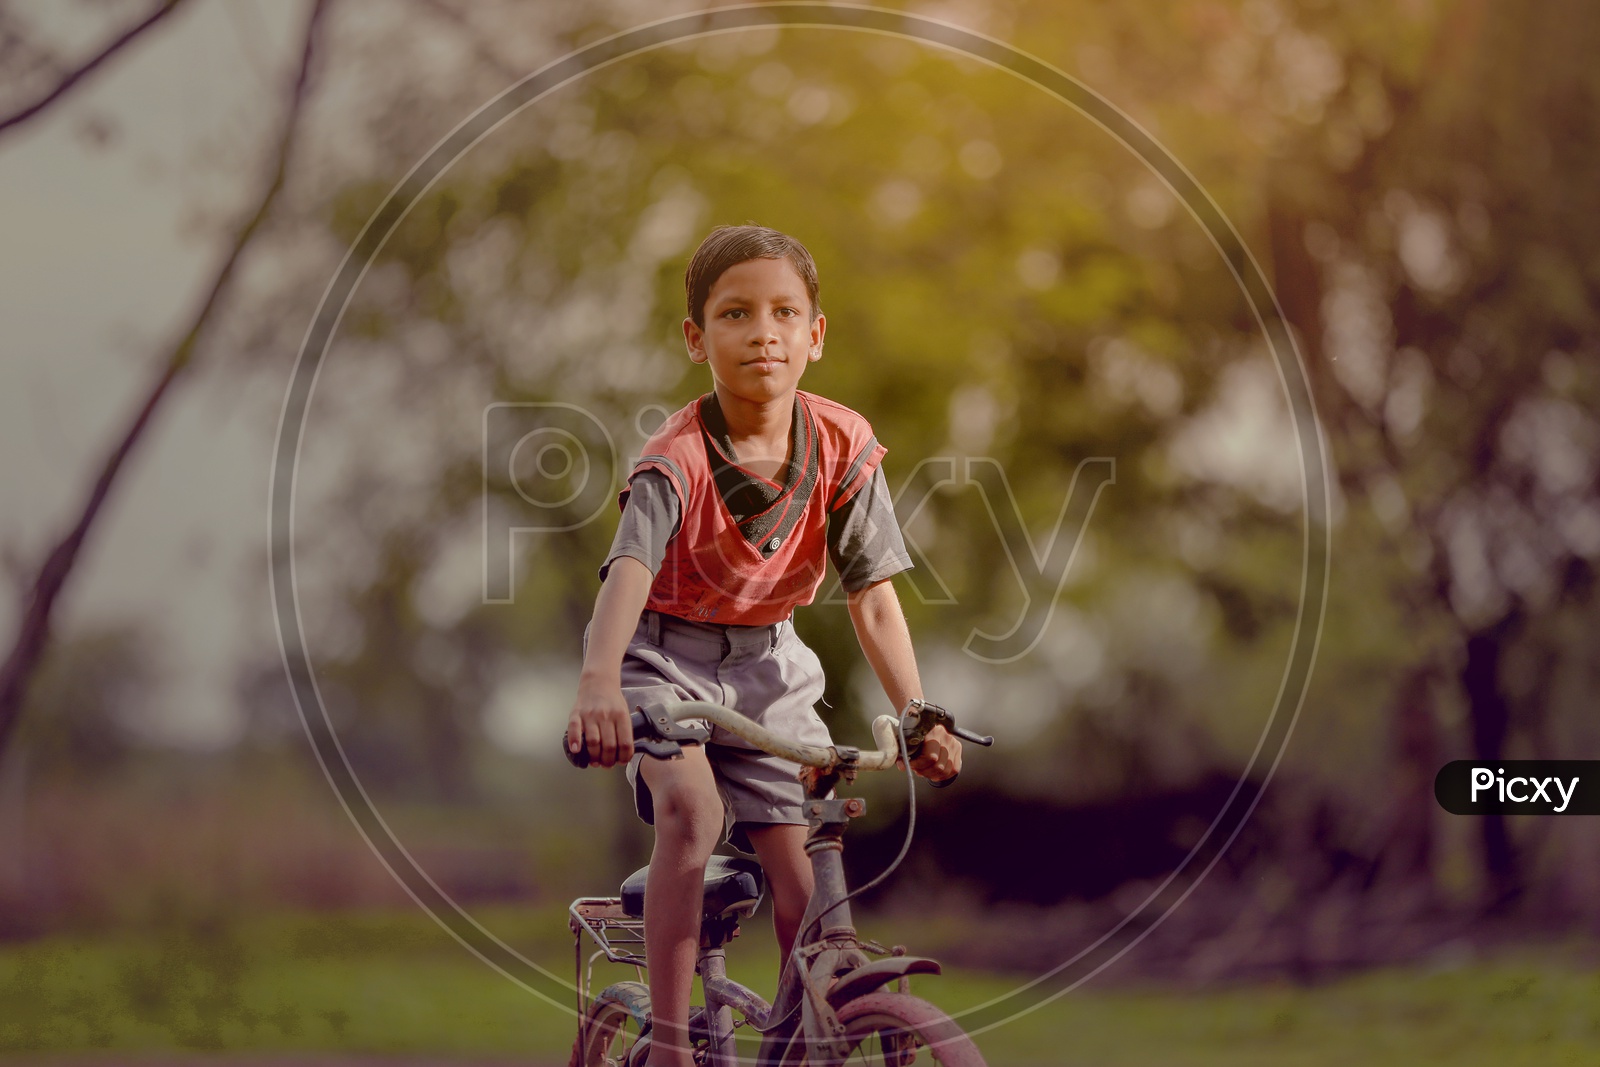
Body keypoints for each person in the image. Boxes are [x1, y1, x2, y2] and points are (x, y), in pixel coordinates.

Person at [566, 224, 960, 1067]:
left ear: (816, 336)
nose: (764, 332)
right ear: (696, 337)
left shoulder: (844, 444)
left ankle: (803, 1041)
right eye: (736, 313)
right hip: (660, 657)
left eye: (786, 313)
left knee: (804, 874)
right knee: (694, 812)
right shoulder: (674, 460)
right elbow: (628, 571)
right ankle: (670, 1043)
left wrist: (917, 710)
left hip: (769, 663)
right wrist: (601, 681)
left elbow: (875, 599)